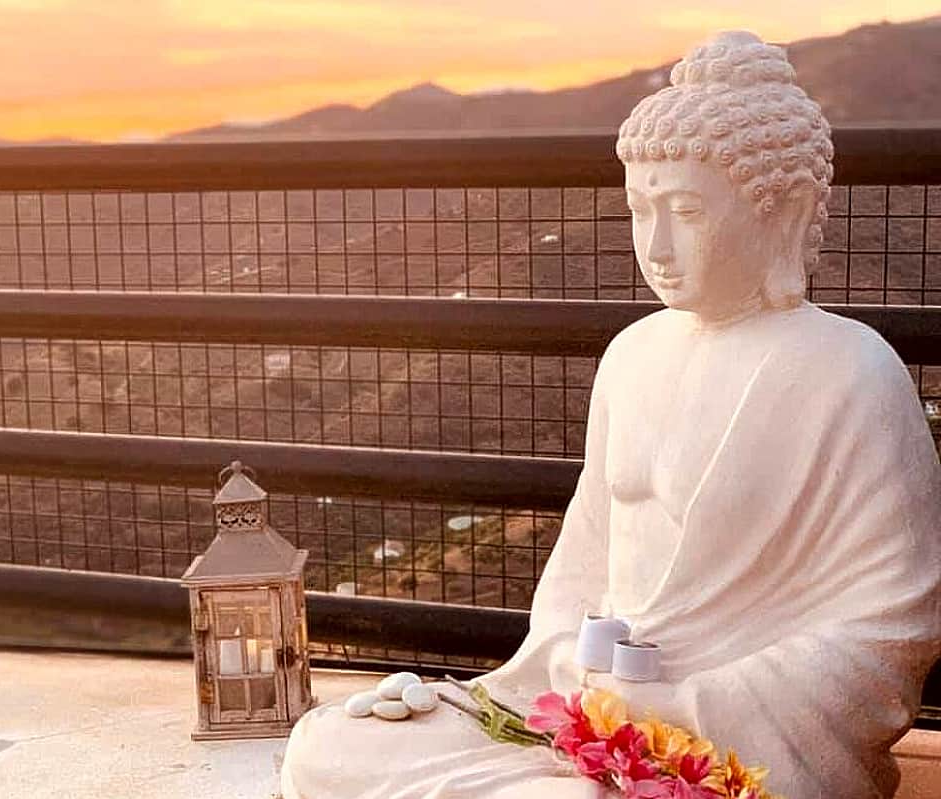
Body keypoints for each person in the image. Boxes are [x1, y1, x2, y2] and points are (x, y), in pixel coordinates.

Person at [279, 31, 941, 799]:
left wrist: (678, 706)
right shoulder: (632, 354)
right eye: (639, 209)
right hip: (589, 713)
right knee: (330, 743)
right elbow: (583, 568)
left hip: (740, 737)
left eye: (686, 211)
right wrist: (553, 676)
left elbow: (889, 629)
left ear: (785, 211)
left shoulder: (848, 369)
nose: (656, 246)